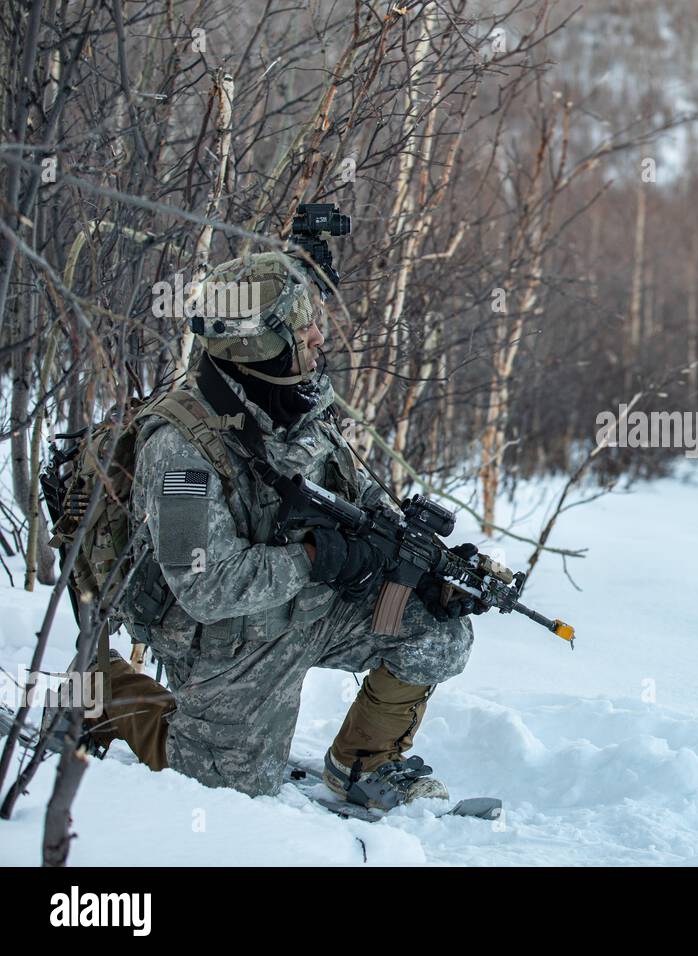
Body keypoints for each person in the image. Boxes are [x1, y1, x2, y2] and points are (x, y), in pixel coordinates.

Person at [90, 251, 483, 808]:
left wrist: (418, 561)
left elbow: (354, 492)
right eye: (303, 328)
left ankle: (361, 763)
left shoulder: (294, 400)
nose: (320, 337)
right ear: (260, 344)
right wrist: (313, 558)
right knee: (232, 793)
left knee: (438, 632)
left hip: (311, 607)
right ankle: (107, 691)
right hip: (226, 640)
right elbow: (205, 588)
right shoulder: (179, 447)